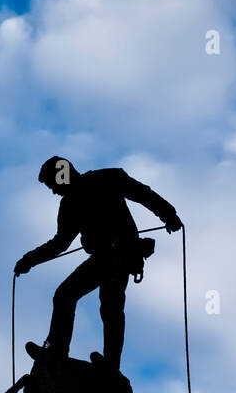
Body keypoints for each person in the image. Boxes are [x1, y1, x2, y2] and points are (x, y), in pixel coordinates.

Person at [14, 157, 182, 372]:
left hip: (118, 254)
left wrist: (169, 215)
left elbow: (142, 194)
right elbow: (60, 243)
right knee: (97, 303)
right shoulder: (75, 199)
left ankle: (69, 355)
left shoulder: (103, 180)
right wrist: (29, 260)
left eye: (52, 184)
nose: (54, 191)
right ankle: (100, 362)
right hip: (111, 256)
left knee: (81, 299)